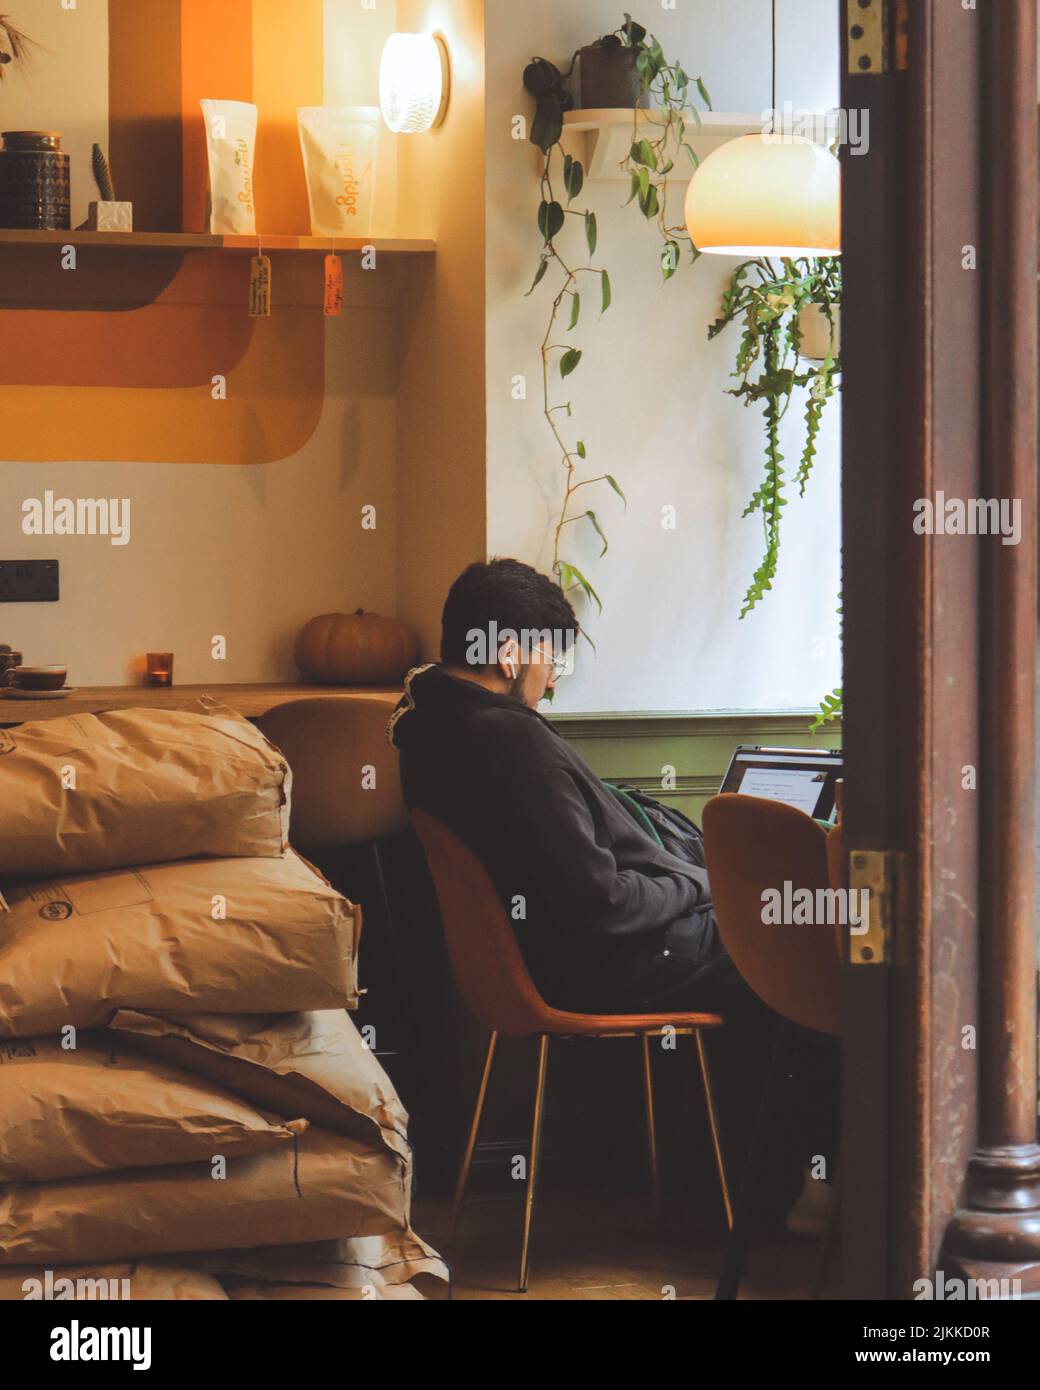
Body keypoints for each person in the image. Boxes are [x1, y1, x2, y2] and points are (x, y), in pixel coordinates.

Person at [388, 558, 836, 1221]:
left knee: (776, 940)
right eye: (551, 661)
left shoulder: (428, 725)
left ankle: (747, 1189)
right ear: (508, 654)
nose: (551, 681)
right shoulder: (507, 741)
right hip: (604, 961)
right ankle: (821, 1189)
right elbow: (602, 905)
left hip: (543, 959)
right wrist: (699, 887)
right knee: (803, 952)